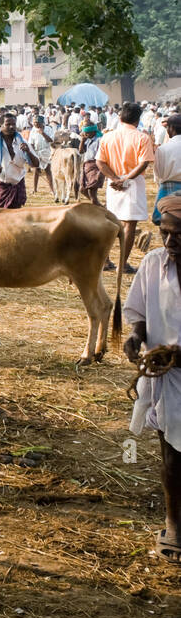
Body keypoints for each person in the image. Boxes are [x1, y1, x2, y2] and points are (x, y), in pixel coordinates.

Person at [122, 192, 181, 564]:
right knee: (171, 453)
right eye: (165, 233)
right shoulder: (153, 263)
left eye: (179, 235)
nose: (170, 242)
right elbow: (138, 310)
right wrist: (136, 336)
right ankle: (175, 524)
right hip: (167, 379)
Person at [97, 101, 155, 274]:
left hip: (113, 183)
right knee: (129, 224)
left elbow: (100, 162)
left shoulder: (107, 136)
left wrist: (115, 178)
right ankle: (122, 264)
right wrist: (126, 179)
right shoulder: (142, 137)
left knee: (111, 222)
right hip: (133, 183)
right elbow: (144, 163)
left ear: (120, 117)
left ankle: (105, 260)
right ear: (137, 120)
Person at [0, 111, 37, 208]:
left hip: (17, 184)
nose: (12, 127)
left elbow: (36, 164)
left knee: (16, 216)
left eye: (13, 124)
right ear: (0, 126)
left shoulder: (23, 142)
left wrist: (28, 151)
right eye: (8, 124)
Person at [153, 114, 181, 225]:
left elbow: (158, 173)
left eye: (167, 127)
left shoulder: (162, 149)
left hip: (167, 189)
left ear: (172, 128)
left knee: (159, 220)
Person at [27, 116, 55, 195]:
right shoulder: (33, 130)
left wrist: (42, 133)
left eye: (37, 123)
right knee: (37, 170)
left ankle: (52, 189)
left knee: (48, 170)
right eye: (34, 123)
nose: (35, 124)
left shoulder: (48, 129)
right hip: (36, 152)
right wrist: (33, 153)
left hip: (46, 152)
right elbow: (31, 143)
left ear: (42, 123)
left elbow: (51, 140)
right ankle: (34, 189)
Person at [80, 121, 104, 206]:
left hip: (96, 166)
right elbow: (81, 151)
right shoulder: (87, 139)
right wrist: (82, 141)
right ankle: (99, 206)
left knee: (91, 191)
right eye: (84, 132)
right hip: (86, 166)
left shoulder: (99, 139)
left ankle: (99, 208)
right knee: (82, 190)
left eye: (87, 132)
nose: (85, 134)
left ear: (93, 131)